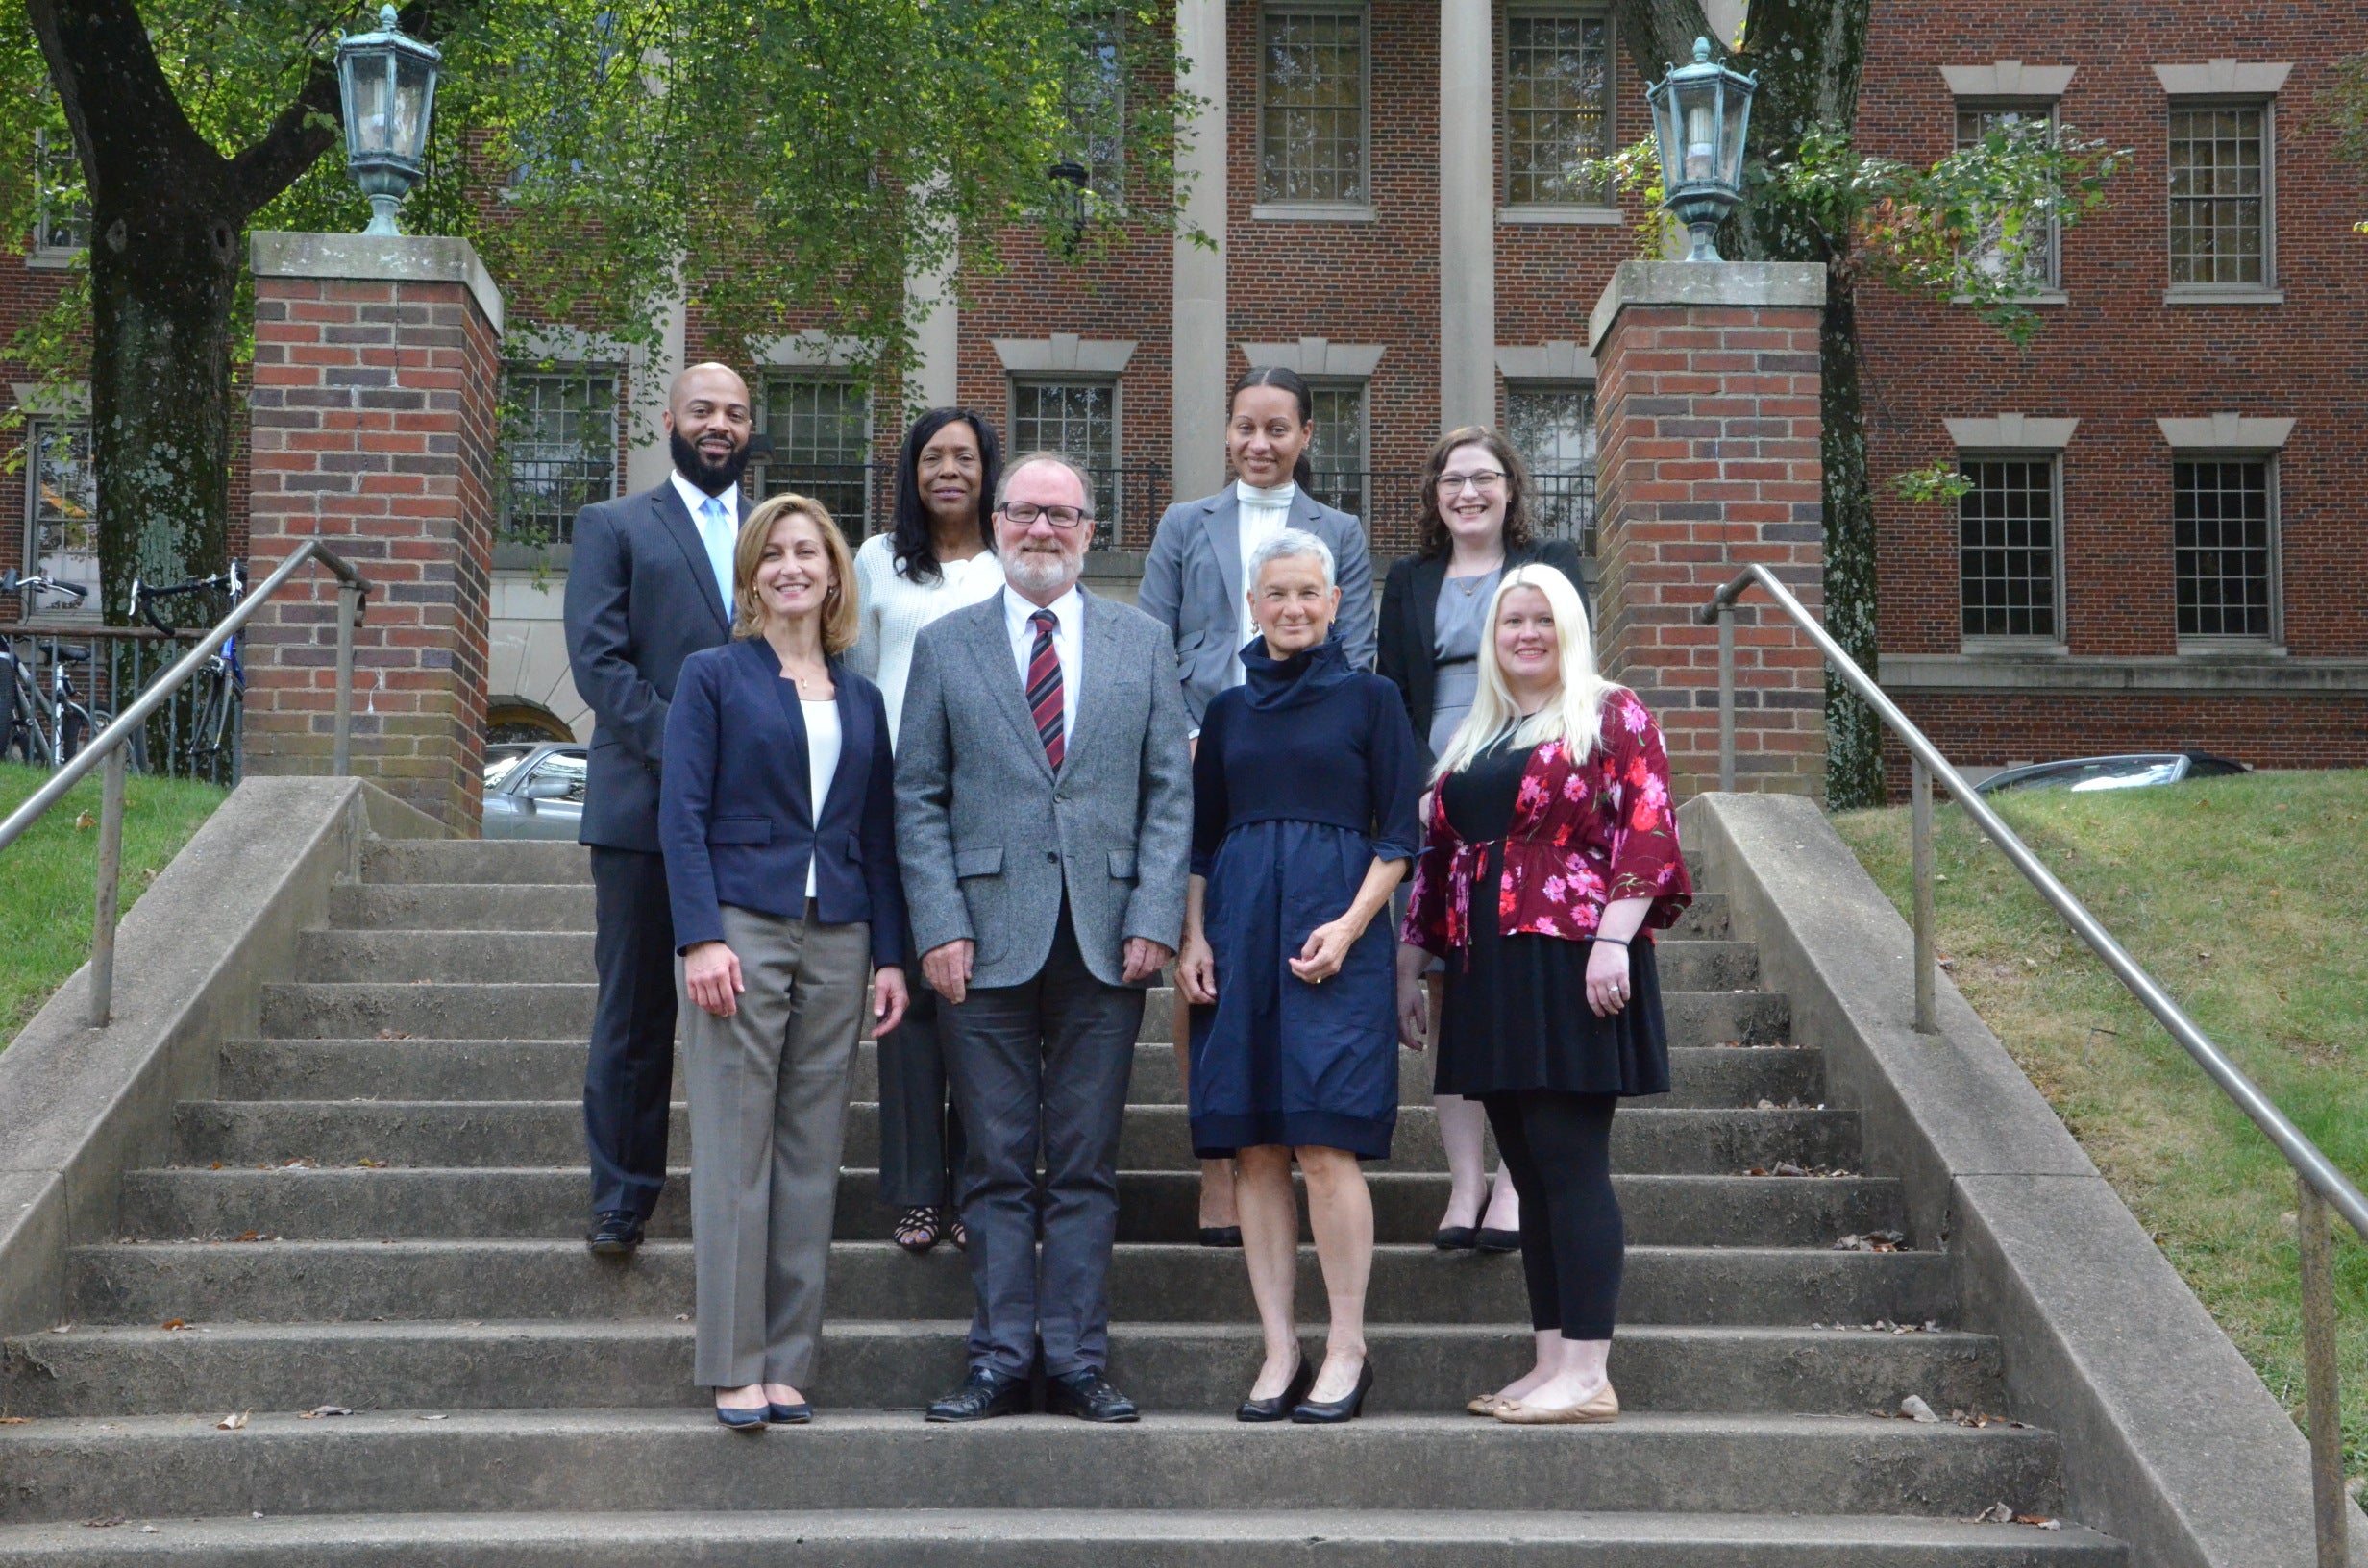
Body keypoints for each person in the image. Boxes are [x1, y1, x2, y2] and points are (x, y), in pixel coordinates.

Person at [896, 451, 1194, 1424]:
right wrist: (936, 923)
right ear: (995, 524)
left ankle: (1071, 1361)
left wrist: (1154, 913)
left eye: (1060, 517)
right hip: (977, 942)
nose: (1040, 531)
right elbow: (919, 798)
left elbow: (1166, 795)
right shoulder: (945, 648)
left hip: (1108, 941)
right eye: (1023, 513)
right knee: (992, 1162)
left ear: (1088, 532)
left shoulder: (1143, 644)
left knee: (1080, 1164)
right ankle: (996, 1360)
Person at [1396, 563, 1690, 1425]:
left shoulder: (1610, 712)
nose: (1525, 634)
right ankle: (1553, 1359)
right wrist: (1412, 963)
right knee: (1524, 1164)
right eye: (1509, 621)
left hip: (1570, 960)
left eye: (1541, 619)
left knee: (1568, 1162)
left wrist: (1614, 941)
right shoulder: (1483, 735)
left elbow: (1649, 826)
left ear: (1570, 626)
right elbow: (1443, 860)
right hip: (1489, 968)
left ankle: (1590, 1370)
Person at [661, 492, 910, 1428]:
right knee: (735, 1151)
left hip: (840, 934)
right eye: (776, 554)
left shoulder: (861, 696)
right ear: (752, 572)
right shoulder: (713, 677)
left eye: (811, 552)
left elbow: (876, 838)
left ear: (836, 572)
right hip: (743, 927)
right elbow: (680, 815)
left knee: (810, 1158)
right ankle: (735, 1361)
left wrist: (890, 956)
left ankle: (790, 1361)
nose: (794, 567)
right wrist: (700, 936)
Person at [1175, 529, 1420, 1424]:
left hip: (1335, 941)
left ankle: (1347, 1344)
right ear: (1253, 606)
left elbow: (1401, 834)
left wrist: (1353, 927)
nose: (1292, 609)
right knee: (1254, 1147)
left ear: (1333, 601)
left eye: (1307, 594)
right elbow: (1202, 842)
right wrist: (1194, 938)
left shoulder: (1372, 700)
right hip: (1241, 937)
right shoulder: (1229, 712)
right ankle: (1280, 1346)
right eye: (1275, 594)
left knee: (1324, 1141)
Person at [1139, 364, 1377, 1248]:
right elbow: (1150, 641)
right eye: (1246, 426)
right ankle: (1220, 1166)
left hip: (1302, 764)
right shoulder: (1182, 524)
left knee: (1283, 944)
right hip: (1202, 749)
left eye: (1279, 428)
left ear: (1307, 437)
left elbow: (1356, 649)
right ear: (1227, 431)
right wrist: (1188, 737)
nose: (1260, 443)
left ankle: (1294, 1135)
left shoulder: (1339, 531)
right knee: (1201, 951)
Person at [1376, 427, 1589, 1255]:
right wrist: (1416, 794)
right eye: (1452, 480)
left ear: (1511, 488)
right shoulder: (1409, 579)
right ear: (1435, 495)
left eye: (1484, 478)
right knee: (1448, 990)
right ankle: (1465, 1180)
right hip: (1438, 799)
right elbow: (1393, 693)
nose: (1468, 492)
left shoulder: (1550, 566)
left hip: (1525, 791)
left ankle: (1514, 1179)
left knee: (1516, 985)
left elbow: (1569, 669)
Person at [563, 362, 752, 1255]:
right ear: (671, 419)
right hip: (641, 810)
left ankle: (745, 1200)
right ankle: (622, 1197)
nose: (721, 426)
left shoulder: (777, 536)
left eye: (737, 415)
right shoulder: (614, 526)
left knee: (751, 1013)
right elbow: (601, 664)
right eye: (705, 411)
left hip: (758, 819)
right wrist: (690, 753)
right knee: (636, 1015)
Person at [851, 407, 1006, 1255]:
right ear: (911, 470)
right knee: (908, 997)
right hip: (904, 800)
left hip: (989, 800)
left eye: (965, 456)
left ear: (988, 470)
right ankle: (917, 1192)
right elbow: (864, 677)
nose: (949, 470)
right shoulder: (878, 560)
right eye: (932, 456)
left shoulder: (1008, 562)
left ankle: (978, 1181)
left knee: (980, 999)